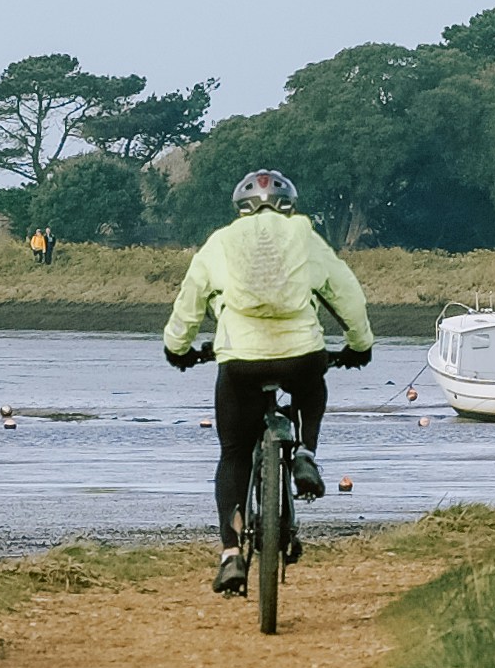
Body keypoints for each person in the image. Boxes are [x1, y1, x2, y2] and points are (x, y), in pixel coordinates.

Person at [155, 165, 378, 590]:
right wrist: (359, 345)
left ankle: (231, 554)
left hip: (240, 361)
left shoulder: (219, 243)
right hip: (300, 356)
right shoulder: (305, 237)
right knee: (313, 384)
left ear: (240, 207)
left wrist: (177, 349)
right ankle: (306, 453)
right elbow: (346, 293)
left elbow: (189, 302)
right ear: (290, 204)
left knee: (234, 454)